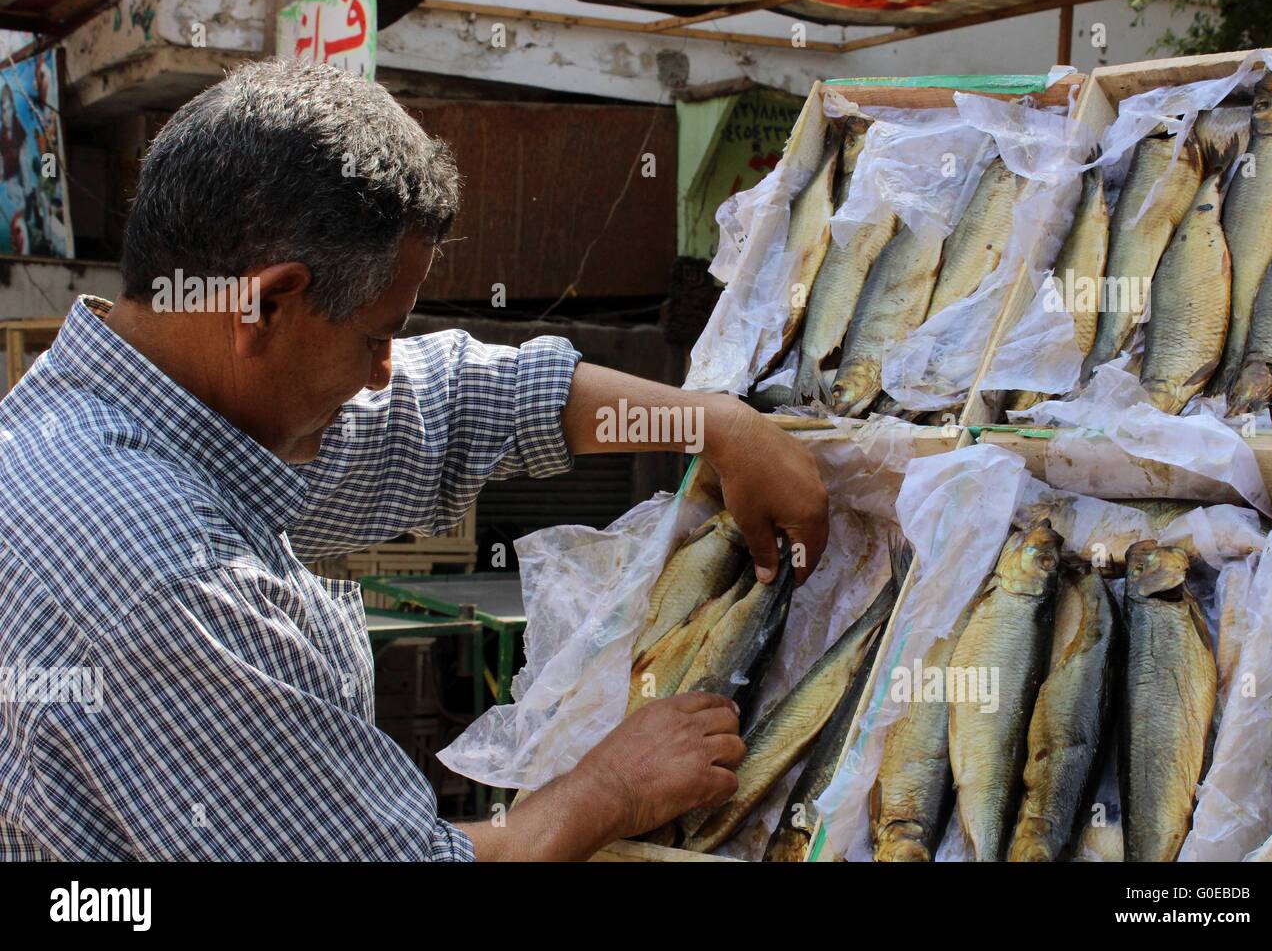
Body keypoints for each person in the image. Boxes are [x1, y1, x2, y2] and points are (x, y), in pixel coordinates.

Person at [0, 60, 829, 861]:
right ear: (265, 303)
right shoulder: (165, 574)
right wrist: (610, 788)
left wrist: (709, 422)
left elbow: (454, 401)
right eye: (375, 336)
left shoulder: (158, 412)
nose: (382, 370)